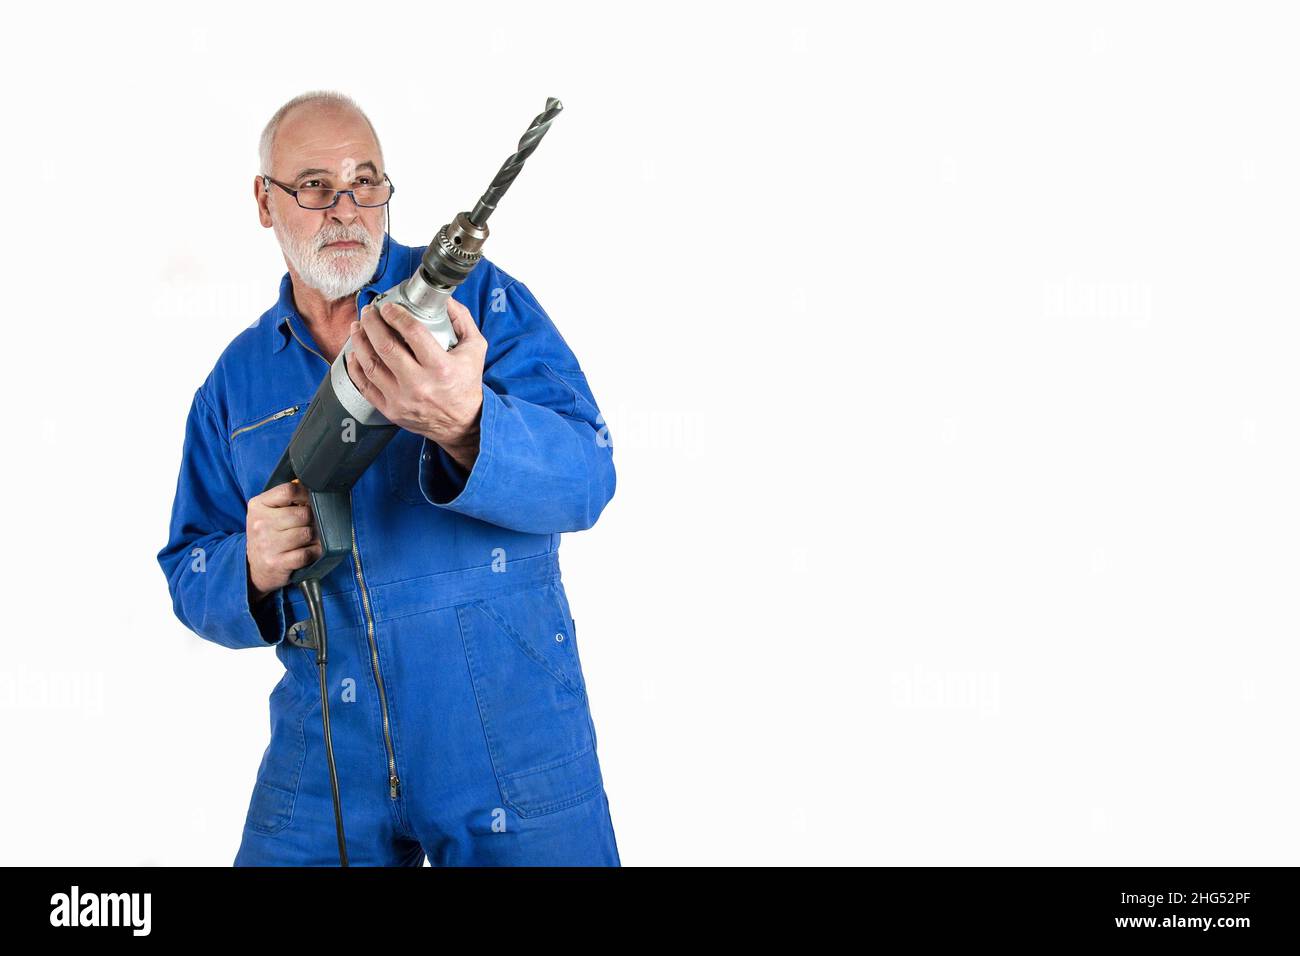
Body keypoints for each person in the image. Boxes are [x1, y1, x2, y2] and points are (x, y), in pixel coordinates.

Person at [156, 90, 619, 866]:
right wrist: (249, 567)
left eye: (367, 181)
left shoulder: (478, 305)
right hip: (327, 747)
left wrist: (468, 421)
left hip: (507, 728)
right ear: (264, 203)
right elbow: (189, 564)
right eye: (315, 186)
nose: (347, 209)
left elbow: (588, 474)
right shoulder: (234, 384)